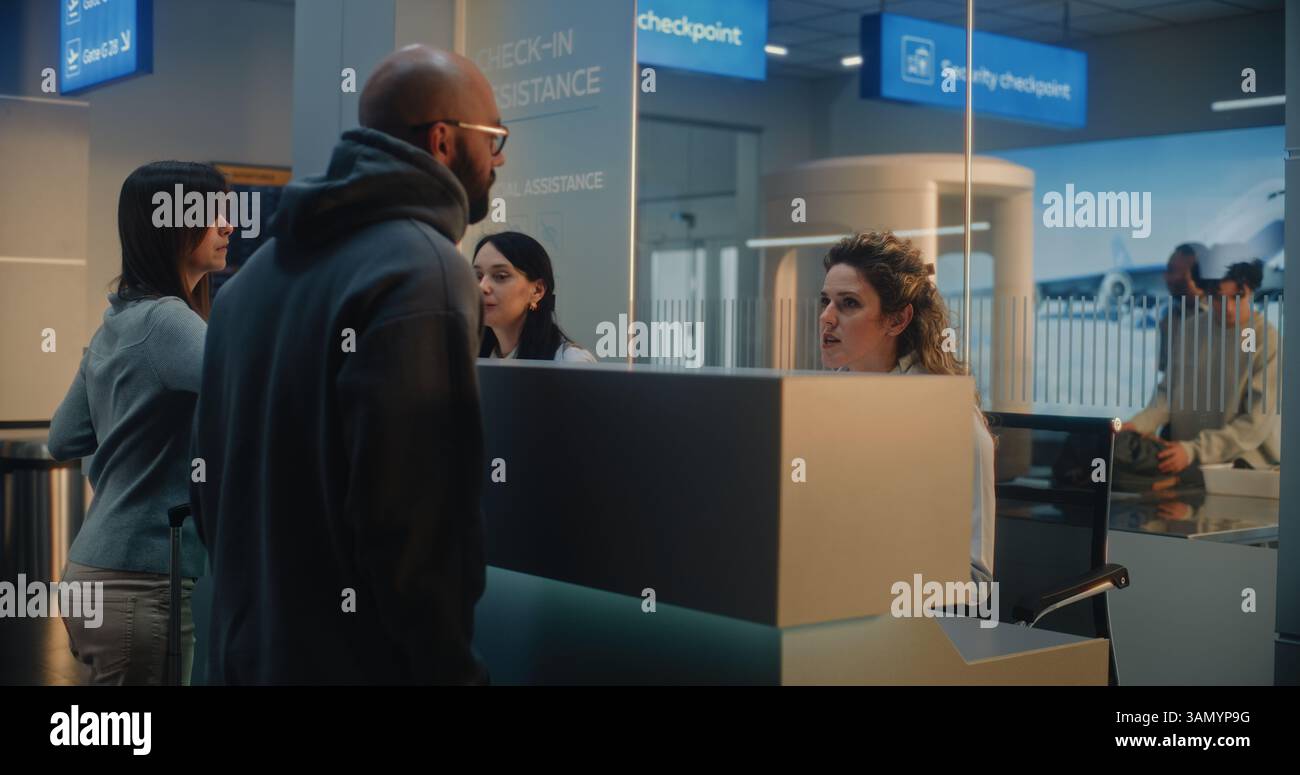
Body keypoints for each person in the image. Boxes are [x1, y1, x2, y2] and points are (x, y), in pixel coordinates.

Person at [190, 45, 504, 684]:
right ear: (443, 140)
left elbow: (205, 489)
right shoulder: (422, 270)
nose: (499, 159)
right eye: (493, 138)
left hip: (246, 658)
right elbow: (416, 527)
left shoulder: (250, 282)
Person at [48, 161, 232, 685]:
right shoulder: (168, 321)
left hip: (91, 571)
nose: (228, 225)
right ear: (169, 224)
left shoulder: (119, 321)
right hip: (138, 581)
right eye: (214, 213)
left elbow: (64, 437)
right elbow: (255, 392)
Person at [818, 231, 994, 584]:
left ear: (896, 320)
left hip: (916, 616)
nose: (826, 317)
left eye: (848, 303)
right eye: (825, 301)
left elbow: (975, 582)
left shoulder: (949, 419)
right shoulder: (825, 402)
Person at [1125, 259, 1281, 473]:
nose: (1228, 307)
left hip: (1246, 470)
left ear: (1253, 291)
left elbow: (1255, 423)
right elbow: (1169, 394)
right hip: (1183, 459)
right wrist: (1138, 425)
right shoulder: (1191, 329)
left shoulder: (1267, 340)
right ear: (1206, 293)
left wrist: (1195, 450)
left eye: (1237, 297)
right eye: (1218, 298)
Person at [473, 231, 596, 363]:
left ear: (537, 291)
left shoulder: (570, 361)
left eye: (501, 276)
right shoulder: (472, 357)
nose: (482, 287)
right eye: (478, 276)